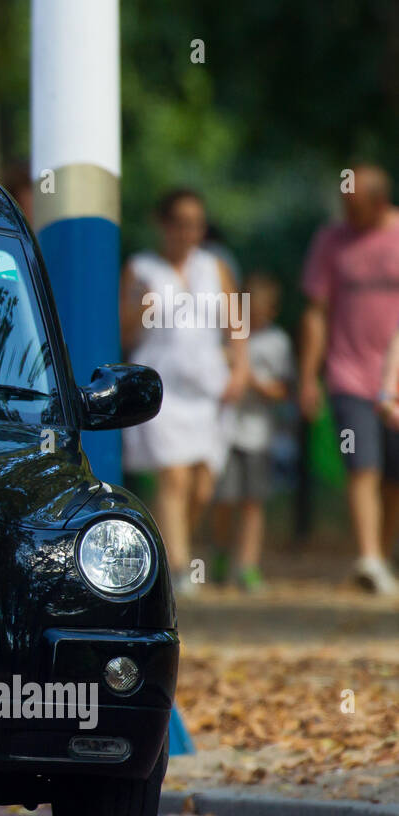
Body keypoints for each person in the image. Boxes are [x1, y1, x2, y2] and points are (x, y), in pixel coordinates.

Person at [120, 188, 249, 597]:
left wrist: (241, 368)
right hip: (162, 390)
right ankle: (178, 566)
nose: (187, 232)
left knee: (203, 484)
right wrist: (140, 308)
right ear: (163, 224)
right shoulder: (141, 269)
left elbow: (237, 324)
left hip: (206, 390)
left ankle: (161, 554)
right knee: (173, 477)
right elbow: (123, 331)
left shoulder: (215, 267)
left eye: (195, 224)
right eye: (180, 223)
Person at [299, 164, 399, 594]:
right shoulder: (330, 240)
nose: (347, 215)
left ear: (380, 202)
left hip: (394, 379)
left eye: (355, 207)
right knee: (362, 464)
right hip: (347, 374)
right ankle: (370, 557)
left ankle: (383, 554)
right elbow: (316, 312)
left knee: (394, 477)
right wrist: (307, 376)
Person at [211, 273, 294, 591]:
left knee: (252, 501)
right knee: (224, 498)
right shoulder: (227, 337)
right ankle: (219, 553)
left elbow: (282, 389)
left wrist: (253, 381)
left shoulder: (277, 342)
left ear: (271, 312)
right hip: (226, 430)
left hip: (258, 433)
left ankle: (247, 564)